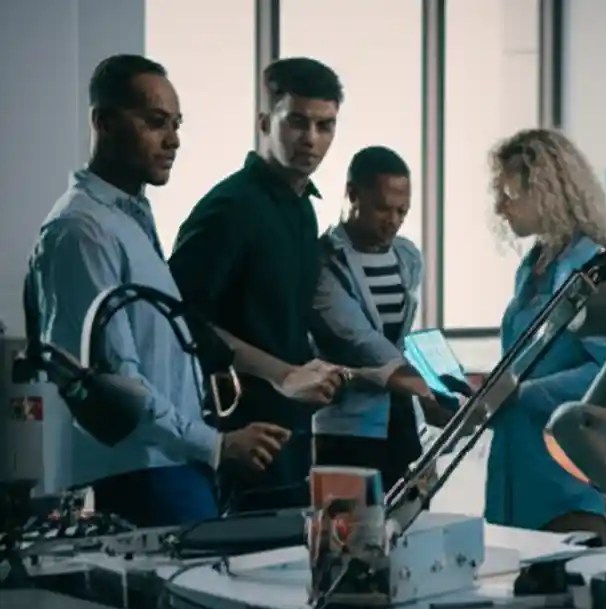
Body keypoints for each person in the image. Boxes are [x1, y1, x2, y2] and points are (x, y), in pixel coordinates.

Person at [22, 55, 310, 527]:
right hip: (139, 473)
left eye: (177, 124)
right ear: (104, 123)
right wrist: (216, 445)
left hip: (172, 463)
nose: (173, 139)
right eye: (156, 122)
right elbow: (115, 386)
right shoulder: (81, 230)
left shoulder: (128, 217)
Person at [169, 57, 347, 512]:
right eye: (298, 122)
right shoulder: (230, 207)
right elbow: (179, 318)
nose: (311, 138)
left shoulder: (304, 208)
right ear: (265, 122)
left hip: (292, 431)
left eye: (325, 126)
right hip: (239, 437)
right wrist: (282, 373)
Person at [484, 128, 606, 539]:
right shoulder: (533, 268)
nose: (500, 207)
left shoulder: (596, 270)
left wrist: (522, 392)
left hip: (567, 484)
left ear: (546, 191)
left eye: (510, 194)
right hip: (516, 476)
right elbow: (525, 358)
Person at [311, 146, 450, 488]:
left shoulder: (407, 257)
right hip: (347, 427)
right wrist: (427, 391)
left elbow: (405, 337)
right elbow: (360, 341)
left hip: (399, 419)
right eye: (382, 208)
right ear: (353, 194)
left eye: (402, 210)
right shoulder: (325, 261)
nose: (393, 220)